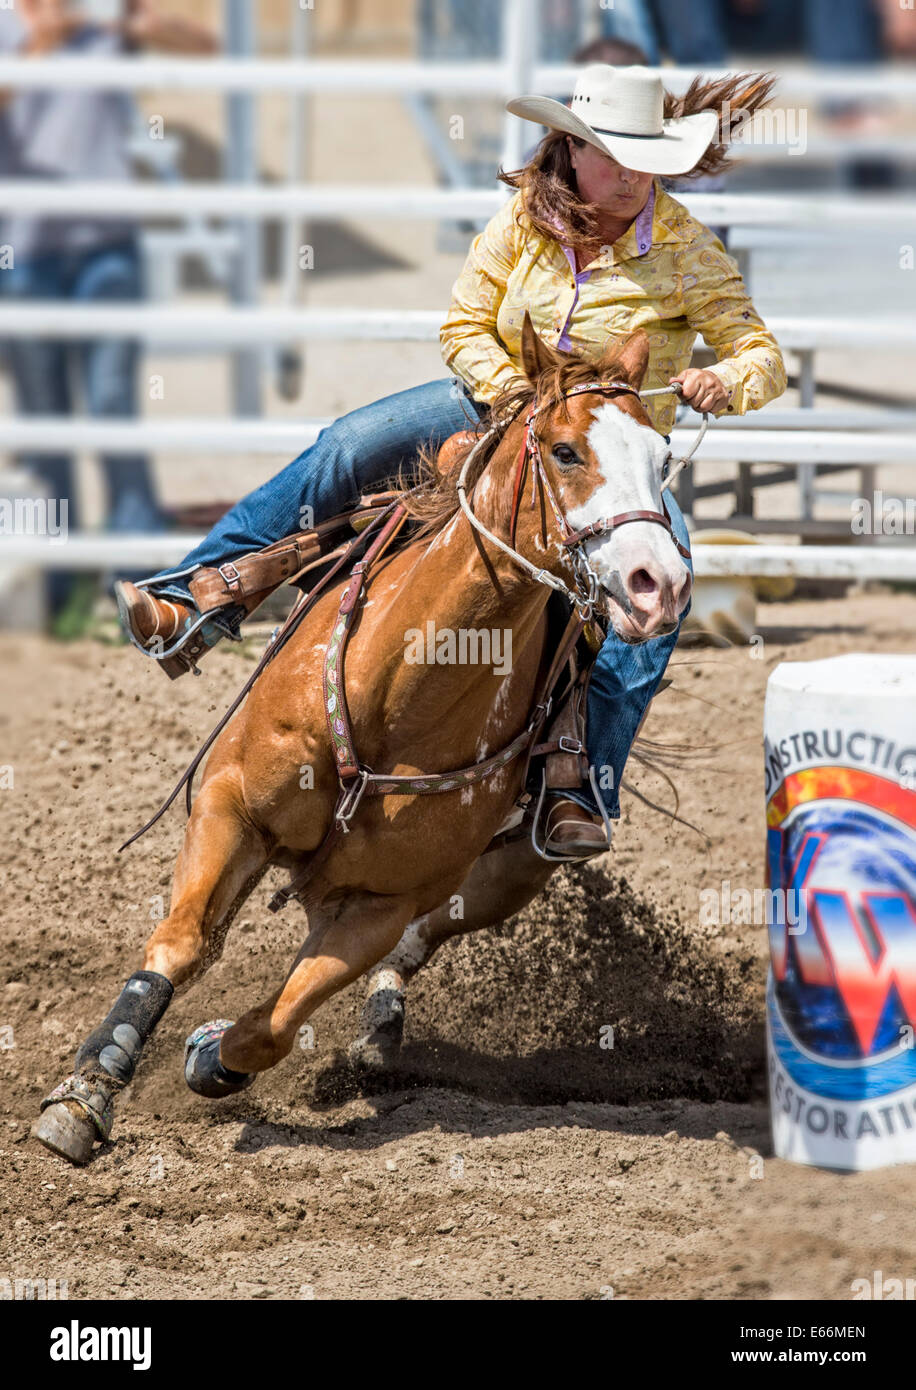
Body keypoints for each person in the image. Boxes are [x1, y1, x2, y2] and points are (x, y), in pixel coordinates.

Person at [117, 64, 787, 858]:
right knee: (348, 447)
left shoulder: (684, 249)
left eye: (645, 154)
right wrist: (516, 397)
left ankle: (578, 787)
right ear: (570, 150)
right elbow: (466, 325)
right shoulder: (521, 223)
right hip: (494, 408)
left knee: (660, 595)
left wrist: (726, 378)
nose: (633, 171)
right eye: (613, 152)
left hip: (606, 463)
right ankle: (196, 598)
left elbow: (761, 353)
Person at [0, 0, 218, 624]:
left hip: (108, 249)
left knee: (115, 407)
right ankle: (61, 584)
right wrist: (38, 47)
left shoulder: (103, 17)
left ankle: (141, 584)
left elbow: (202, 46)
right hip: (24, 258)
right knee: (46, 425)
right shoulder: (9, 26)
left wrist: (127, 23)